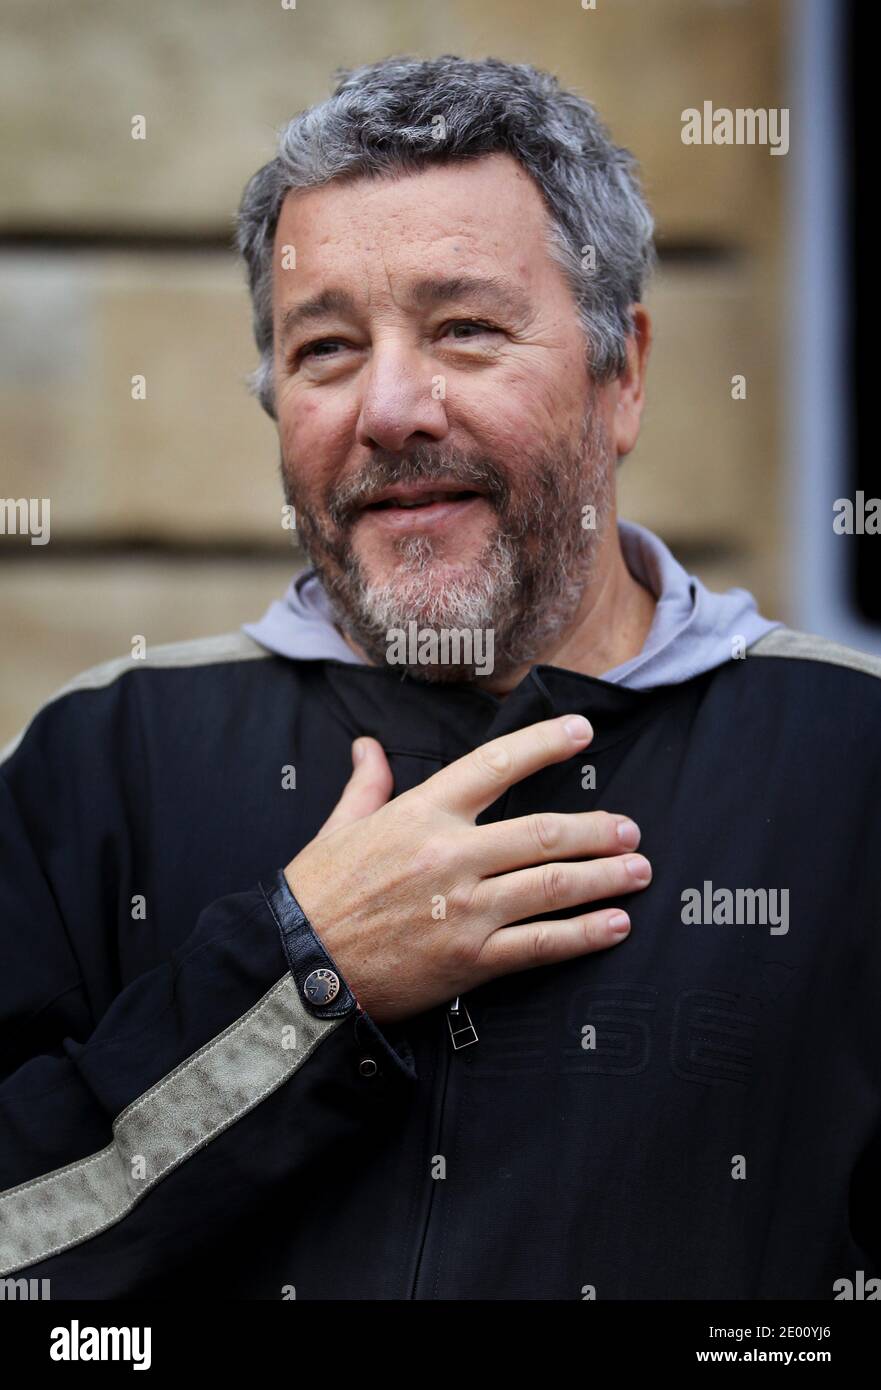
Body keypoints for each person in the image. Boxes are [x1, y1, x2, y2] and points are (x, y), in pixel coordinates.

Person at [1, 55, 879, 1301]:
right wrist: (304, 981)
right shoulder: (102, 763)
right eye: (326, 348)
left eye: (464, 328)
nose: (392, 407)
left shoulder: (844, 760)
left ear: (617, 373)